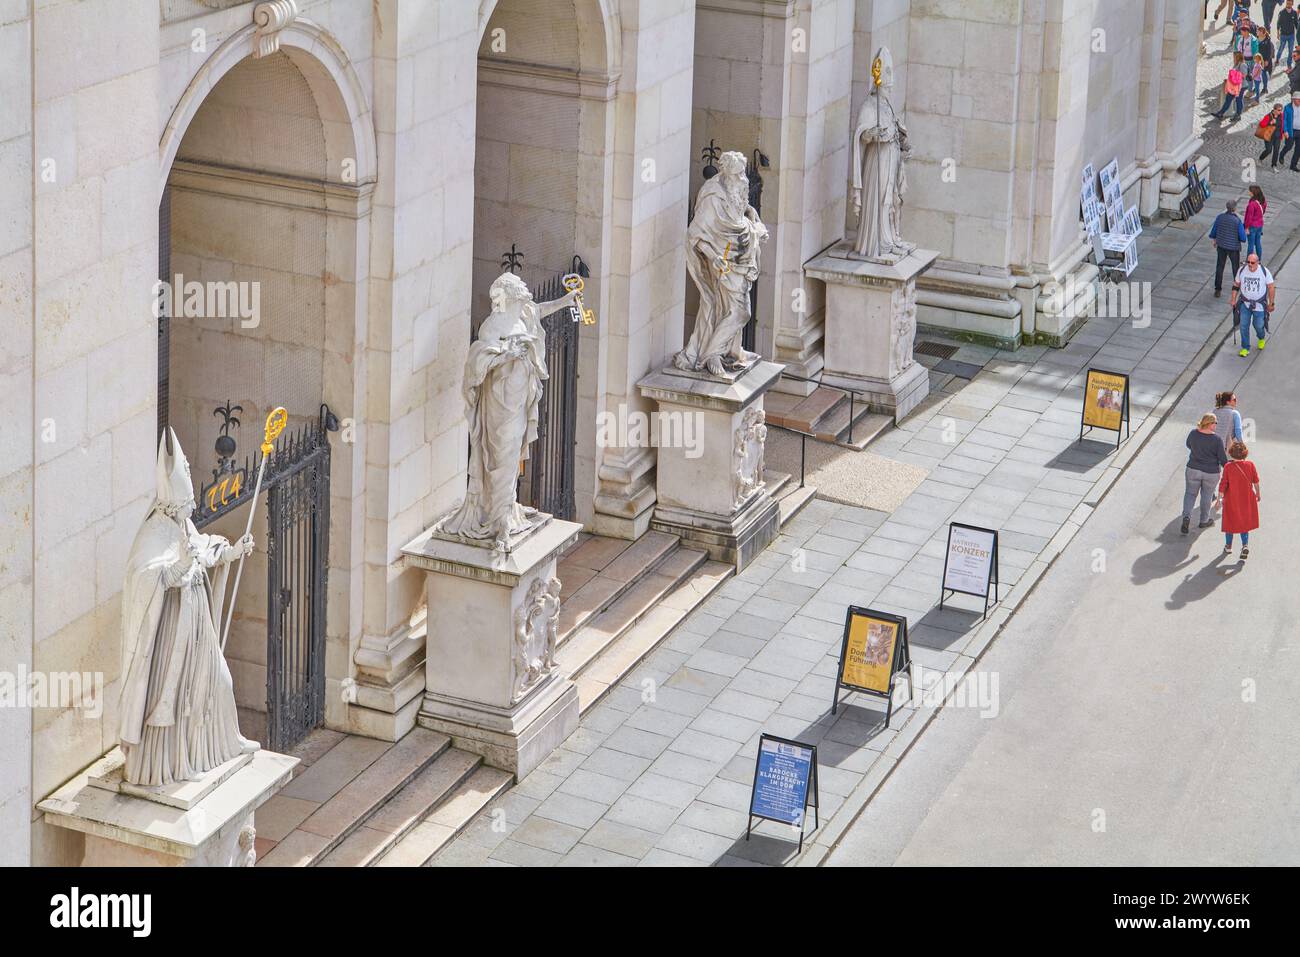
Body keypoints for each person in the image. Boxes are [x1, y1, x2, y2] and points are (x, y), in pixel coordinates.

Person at [1183, 413, 1230, 534]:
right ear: (1210, 424)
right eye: (1215, 423)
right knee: (1207, 496)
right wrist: (1230, 468)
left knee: (1190, 494)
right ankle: (1204, 520)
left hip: (1193, 469)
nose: (1216, 425)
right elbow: (1223, 459)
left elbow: (1188, 445)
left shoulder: (1193, 433)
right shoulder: (1217, 439)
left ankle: (1186, 517)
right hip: (1211, 473)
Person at [1219, 440, 1261, 559]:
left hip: (1231, 499)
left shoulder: (1228, 466)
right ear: (1244, 453)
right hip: (1247, 499)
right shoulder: (1250, 465)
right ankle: (1245, 545)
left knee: (1229, 522)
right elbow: (1256, 481)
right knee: (1244, 523)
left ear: (1231, 453)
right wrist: (1258, 494)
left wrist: (1219, 499)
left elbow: (1223, 484)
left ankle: (1228, 546)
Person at [1230, 252, 1274, 356]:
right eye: (1248, 262)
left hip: (1259, 305)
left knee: (1258, 325)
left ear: (1258, 262)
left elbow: (1271, 287)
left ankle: (1261, 337)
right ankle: (1245, 347)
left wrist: (1271, 303)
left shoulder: (1264, 272)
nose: (1250, 264)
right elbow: (1236, 285)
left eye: (1252, 262)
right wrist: (1233, 299)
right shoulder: (1241, 270)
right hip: (1245, 304)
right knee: (1244, 326)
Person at [1208, 199, 1247, 297]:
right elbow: (1243, 238)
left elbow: (1214, 231)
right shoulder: (1237, 221)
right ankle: (1237, 287)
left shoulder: (1220, 217)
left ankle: (1217, 289)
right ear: (1235, 208)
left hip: (1221, 246)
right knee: (1235, 268)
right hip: (1233, 248)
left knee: (1220, 267)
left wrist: (1215, 239)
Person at [1214, 53, 1247, 118]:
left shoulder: (1243, 65)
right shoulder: (1236, 65)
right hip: (1234, 86)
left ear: (1238, 57)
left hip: (1241, 86)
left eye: (1235, 57)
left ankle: (1238, 114)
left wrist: (1235, 77)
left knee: (1238, 100)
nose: (1233, 58)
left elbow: (1244, 75)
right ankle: (1220, 113)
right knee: (1228, 99)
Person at [1245, 185, 1267, 257]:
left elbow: (1249, 217)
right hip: (1260, 224)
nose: (1249, 192)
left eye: (1250, 191)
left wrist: (1247, 227)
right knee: (1258, 243)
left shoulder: (1252, 204)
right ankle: (1259, 260)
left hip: (1252, 226)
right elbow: (1263, 211)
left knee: (1251, 245)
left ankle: (1249, 260)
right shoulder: (1263, 201)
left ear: (1253, 193)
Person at [1280, 0, 1298, 66]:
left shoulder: (1294, 13)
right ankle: (1277, 59)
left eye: (1290, 4)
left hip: (1291, 35)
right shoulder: (1282, 12)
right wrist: (1278, 33)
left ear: (1292, 4)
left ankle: (1289, 63)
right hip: (1283, 35)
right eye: (1287, 3)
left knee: (1290, 50)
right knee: (1281, 49)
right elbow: (1279, 23)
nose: (1288, 5)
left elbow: (1296, 24)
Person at [1258, 27, 1275, 93]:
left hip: (1264, 60)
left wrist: (1267, 60)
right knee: (1257, 74)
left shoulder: (1267, 41)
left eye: (1259, 31)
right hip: (1257, 59)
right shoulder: (1256, 39)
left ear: (1263, 33)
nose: (1258, 32)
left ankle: (1265, 88)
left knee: (1263, 73)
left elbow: (1269, 52)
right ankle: (1257, 86)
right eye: (1258, 31)